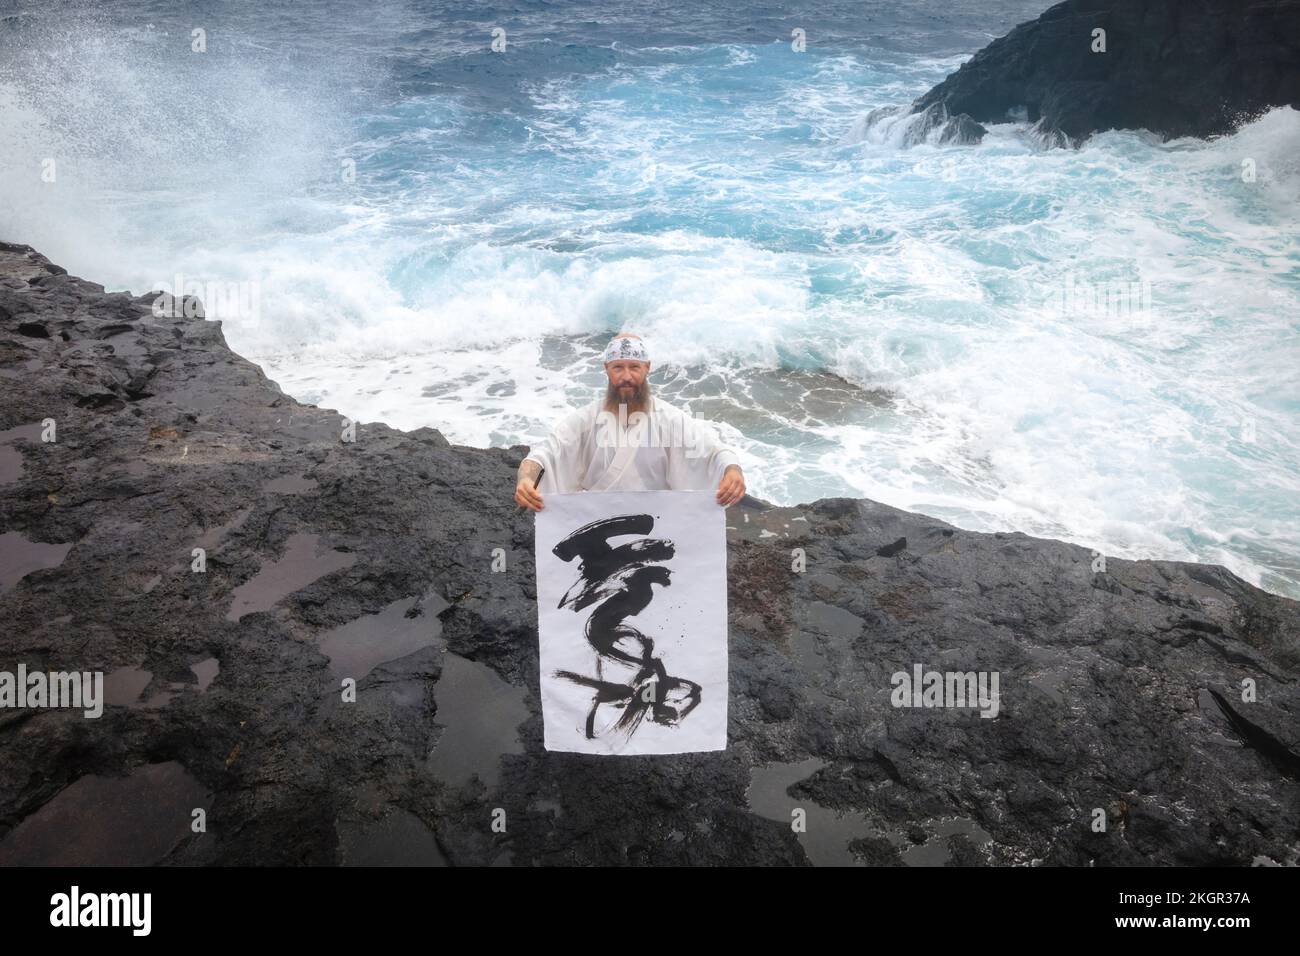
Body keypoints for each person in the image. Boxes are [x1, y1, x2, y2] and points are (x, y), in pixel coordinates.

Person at [514, 333, 746, 510]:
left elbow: (715, 452)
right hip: (594, 522)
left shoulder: (670, 419)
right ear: (607, 369)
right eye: (618, 368)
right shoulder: (586, 420)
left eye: (634, 367)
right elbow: (544, 455)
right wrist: (526, 480)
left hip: (655, 522)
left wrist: (732, 472)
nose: (626, 376)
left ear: (647, 368)